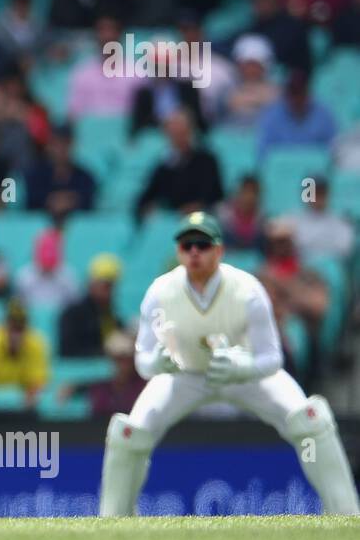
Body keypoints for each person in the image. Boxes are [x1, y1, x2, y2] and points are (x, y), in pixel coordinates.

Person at [99, 211, 359, 516]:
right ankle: (114, 520)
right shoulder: (160, 292)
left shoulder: (246, 290)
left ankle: (346, 514)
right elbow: (143, 360)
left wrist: (243, 367)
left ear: (219, 251)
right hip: (185, 376)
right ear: (179, 251)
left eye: (203, 244)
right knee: (129, 433)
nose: (194, 252)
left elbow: (272, 357)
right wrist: (158, 362)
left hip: (245, 376)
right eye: (187, 245)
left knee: (311, 419)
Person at [58, 253, 125, 358]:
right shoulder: (72, 315)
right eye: (106, 286)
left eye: (112, 286)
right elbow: (67, 351)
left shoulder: (112, 316)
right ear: (91, 284)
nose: (110, 291)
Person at [81, 331, 146, 418]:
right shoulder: (98, 390)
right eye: (118, 358)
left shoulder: (144, 387)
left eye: (128, 358)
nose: (124, 364)